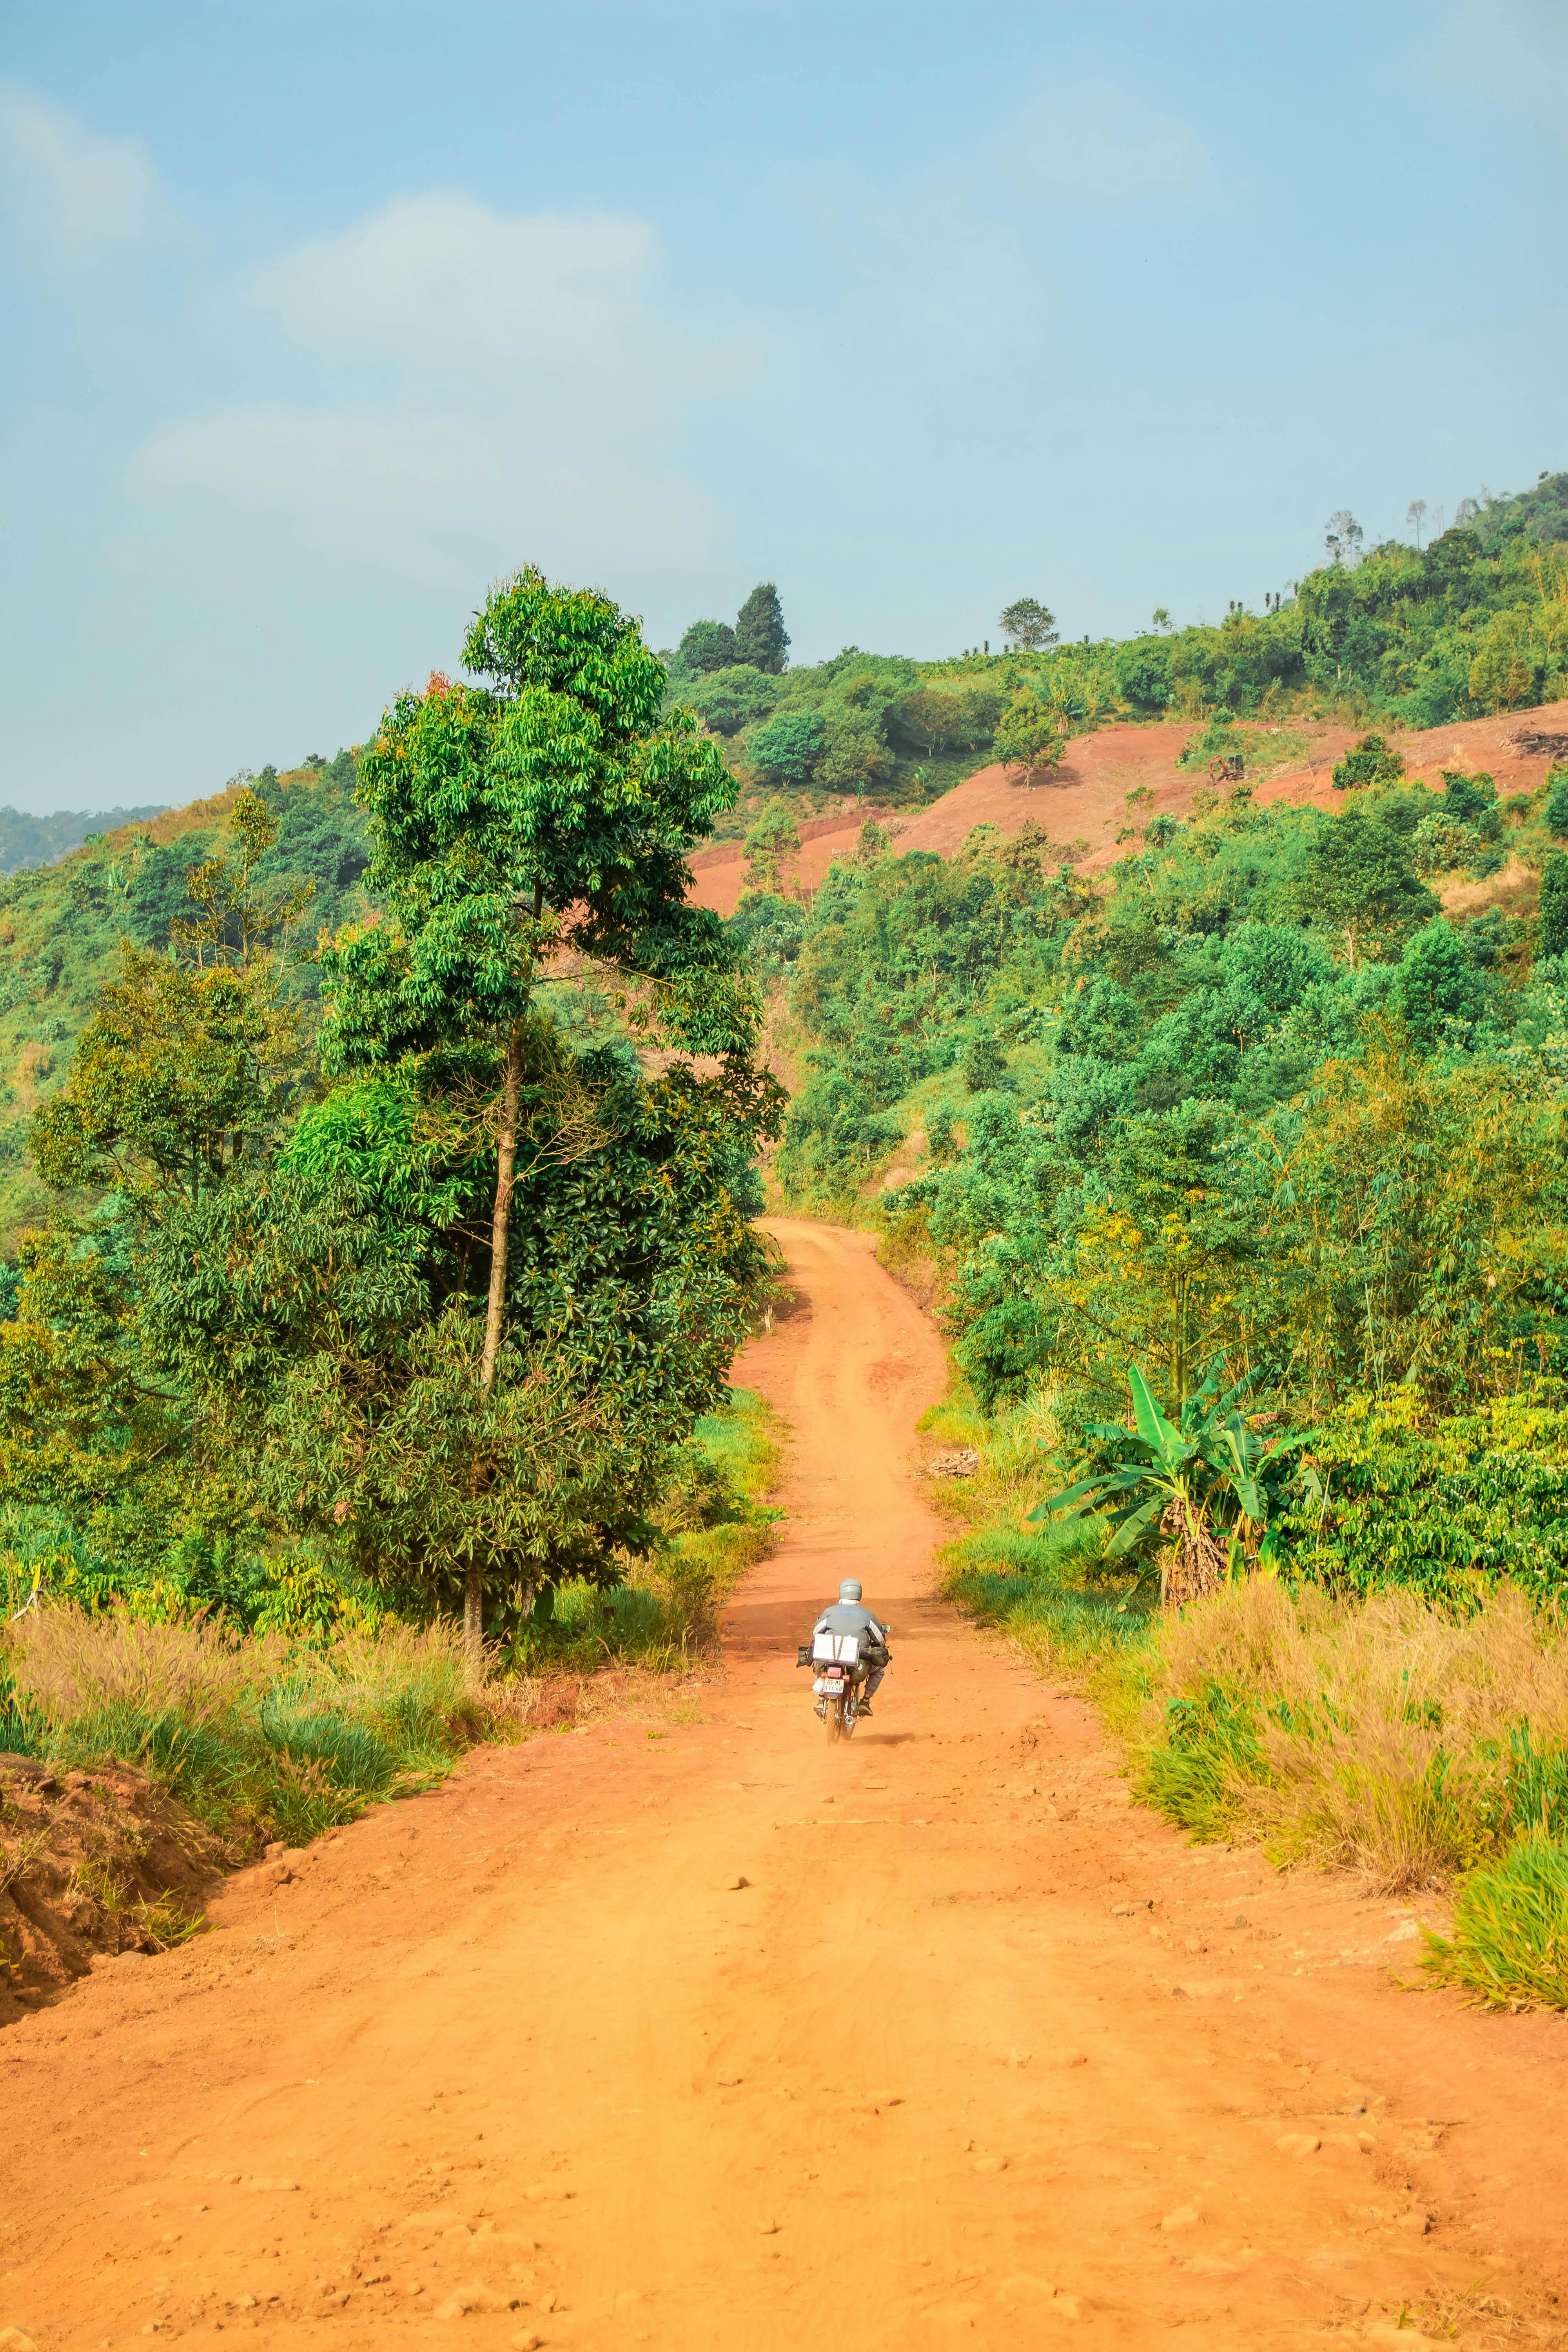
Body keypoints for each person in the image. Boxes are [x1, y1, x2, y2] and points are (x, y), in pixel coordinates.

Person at [808, 1578, 891, 1715]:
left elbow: (816, 1633)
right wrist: (876, 1646)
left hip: (830, 1657)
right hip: (856, 1660)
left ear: (841, 1593)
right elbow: (880, 1641)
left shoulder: (829, 1612)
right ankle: (865, 1701)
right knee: (880, 1669)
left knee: (819, 1662)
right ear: (859, 1594)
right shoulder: (867, 1614)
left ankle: (820, 1698)